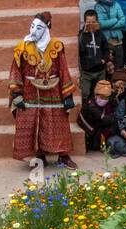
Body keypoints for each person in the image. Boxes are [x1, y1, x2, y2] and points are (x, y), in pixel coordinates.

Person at [9, 14, 78, 169]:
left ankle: (63, 156)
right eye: (32, 26)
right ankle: (40, 156)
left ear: (47, 28)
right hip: (30, 92)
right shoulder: (23, 47)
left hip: (53, 92)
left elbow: (63, 70)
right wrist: (16, 93)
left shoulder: (56, 46)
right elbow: (16, 71)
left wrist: (68, 94)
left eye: (39, 27)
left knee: (58, 123)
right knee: (33, 123)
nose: (34, 30)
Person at [79, 9, 113, 101]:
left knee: (100, 92)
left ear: (97, 22)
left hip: (100, 70)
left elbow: (106, 49)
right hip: (87, 71)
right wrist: (84, 34)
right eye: (88, 22)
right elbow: (80, 49)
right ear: (84, 22)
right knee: (85, 93)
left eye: (93, 22)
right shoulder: (81, 35)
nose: (91, 24)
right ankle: (85, 110)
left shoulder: (100, 35)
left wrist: (103, 60)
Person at [94, 0, 126, 67]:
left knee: (119, 64)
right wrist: (115, 20)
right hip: (107, 42)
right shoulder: (98, 6)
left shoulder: (116, 4)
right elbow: (101, 24)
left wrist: (109, 27)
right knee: (107, 65)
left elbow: (123, 21)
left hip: (118, 41)